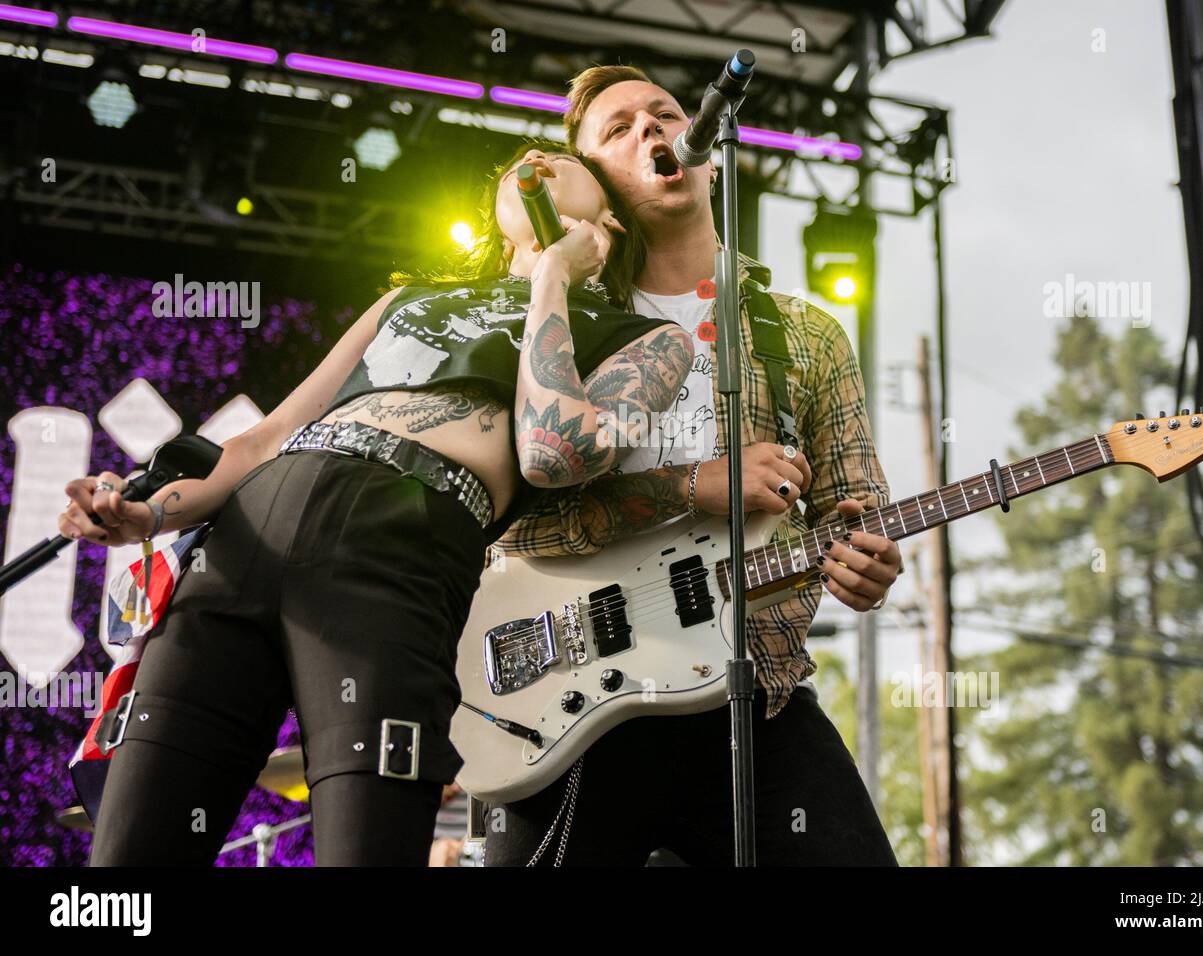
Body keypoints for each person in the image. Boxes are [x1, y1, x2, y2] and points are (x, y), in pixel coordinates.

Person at [57, 140, 693, 866]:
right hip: (248, 531)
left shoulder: (645, 340)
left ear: (608, 225)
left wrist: (553, 274)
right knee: (127, 858)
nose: (535, 155)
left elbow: (556, 453)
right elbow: (263, 440)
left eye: (563, 159)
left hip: (399, 542)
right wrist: (149, 515)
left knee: (365, 843)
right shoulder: (410, 298)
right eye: (529, 150)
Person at [483, 67, 904, 866]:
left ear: (704, 150)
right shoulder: (552, 323)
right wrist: (692, 485)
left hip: (756, 697)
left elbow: (856, 509)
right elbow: (509, 524)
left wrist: (870, 560)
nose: (650, 130)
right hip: (569, 709)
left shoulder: (806, 334)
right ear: (589, 185)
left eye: (665, 115)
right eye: (617, 129)